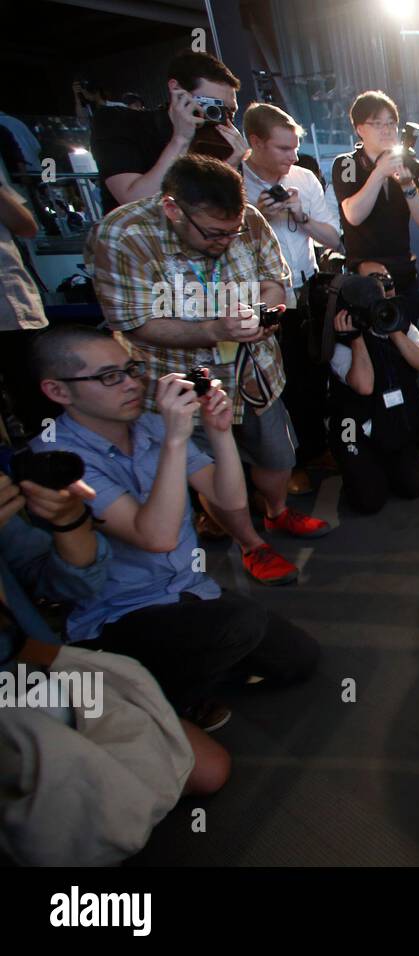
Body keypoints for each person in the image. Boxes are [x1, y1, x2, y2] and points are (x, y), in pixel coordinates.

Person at [35, 324, 320, 731]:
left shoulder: (149, 427)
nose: (131, 384)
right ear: (58, 391)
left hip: (187, 593)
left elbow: (231, 502)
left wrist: (220, 434)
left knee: (300, 660)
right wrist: (175, 442)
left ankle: (176, 672)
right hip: (120, 616)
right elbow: (156, 537)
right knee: (242, 623)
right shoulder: (58, 458)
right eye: (109, 377)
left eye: (131, 370)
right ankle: (162, 695)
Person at [84, 153, 330, 586]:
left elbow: (276, 280)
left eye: (233, 231)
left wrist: (264, 311)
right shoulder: (124, 236)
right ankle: (251, 544)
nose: (226, 240)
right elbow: (134, 321)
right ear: (173, 209)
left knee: (278, 455)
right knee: (209, 474)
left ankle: (275, 514)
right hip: (180, 385)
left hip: (255, 372)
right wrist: (215, 328)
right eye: (215, 233)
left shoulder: (250, 222)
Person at [0, 469, 228, 865]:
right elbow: (156, 537)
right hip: (20, 684)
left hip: (34, 660)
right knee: (80, 812)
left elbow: (65, 583)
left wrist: (69, 520)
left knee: (208, 769)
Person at [242, 102, 342, 491]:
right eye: (284, 148)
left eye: (295, 146)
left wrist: (299, 215)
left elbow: (333, 238)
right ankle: (287, 463)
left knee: (314, 374)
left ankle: (317, 448)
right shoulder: (235, 183)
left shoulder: (304, 177)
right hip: (260, 296)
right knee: (273, 384)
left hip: (306, 288)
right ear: (255, 143)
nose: (293, 156)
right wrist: (258, 217)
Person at [328, 261, 419, 514]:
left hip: (393, 422)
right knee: (368, 502)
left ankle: (386, 466)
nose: (384, 287)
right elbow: (364, 386)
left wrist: (392, 326)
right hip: (358, 428)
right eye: (374, 281)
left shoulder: (403, 323)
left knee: (415, 486)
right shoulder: (342, 333)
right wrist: (356, 340)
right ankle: (360, 468)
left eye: (387, 280)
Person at [90, 50, 248, 214]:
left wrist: (232, 164)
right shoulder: (119, 121)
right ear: (176, 89)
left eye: (229, 111)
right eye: (211, 105)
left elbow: (214, 215)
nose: (219, 116)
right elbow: (136, 203)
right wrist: (180, 139)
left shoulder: (219, 142)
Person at [331, 90, 419, 328]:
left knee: (410, 340)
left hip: (404, 271)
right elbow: (353, 215)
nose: (387, 130)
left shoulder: (404, 161)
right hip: (367, 277)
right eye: (377, 124)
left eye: (391, 123)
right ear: (359, 129)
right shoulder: (347, 163)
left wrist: (407, 185)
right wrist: (379, 173)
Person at [0, 175, 59, 437]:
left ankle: (55, 468)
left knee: (38, 407)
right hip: (11, 308)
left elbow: (26, 226)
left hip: (11, 309)